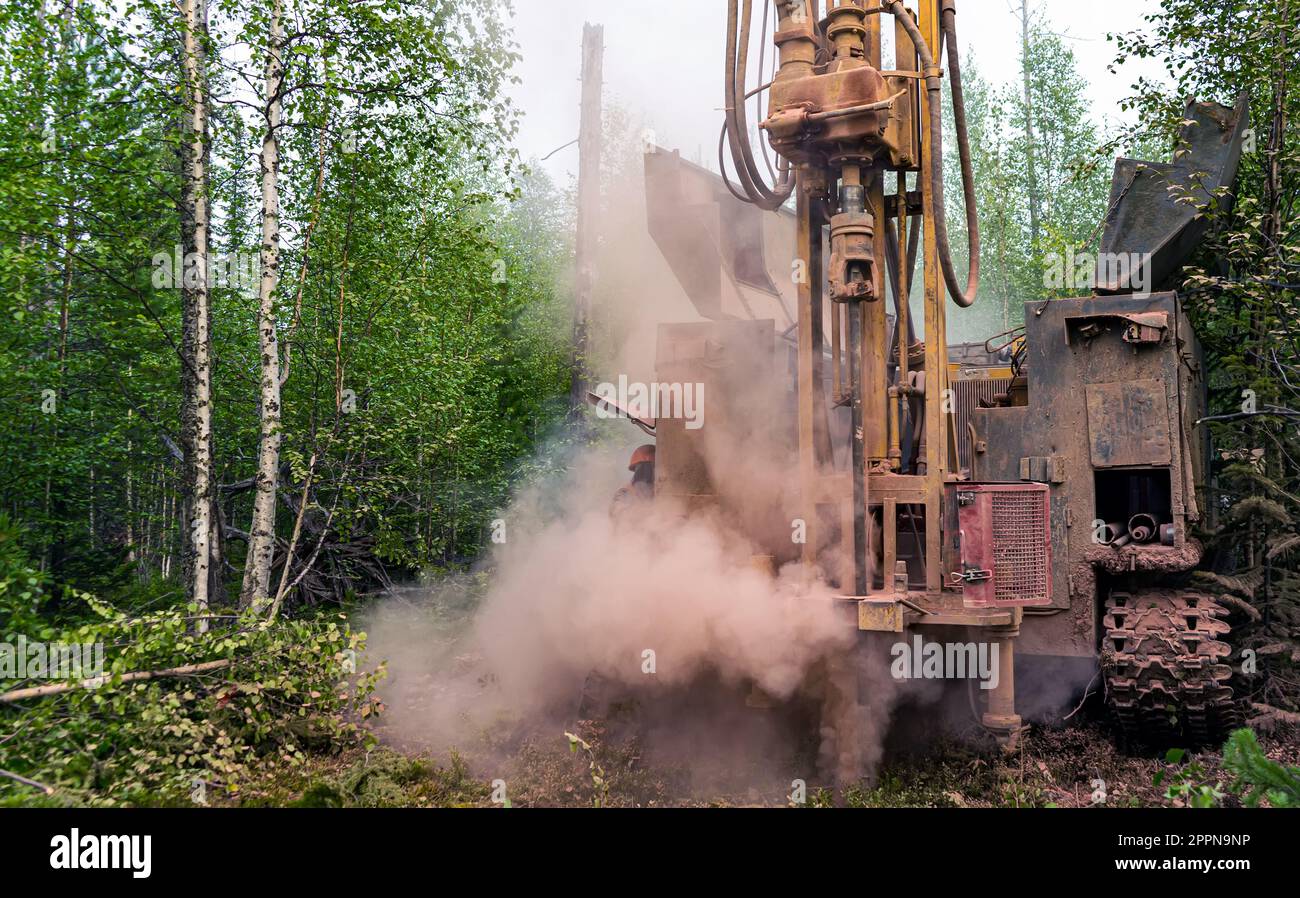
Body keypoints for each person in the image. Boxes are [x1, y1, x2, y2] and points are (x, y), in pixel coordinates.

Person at [609, 444, 655, 521]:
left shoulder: (660, 490)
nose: (647, 472)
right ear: (637, 469)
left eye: (654, 467)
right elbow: (616, 515)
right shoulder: (625, 492)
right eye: (644, 467)